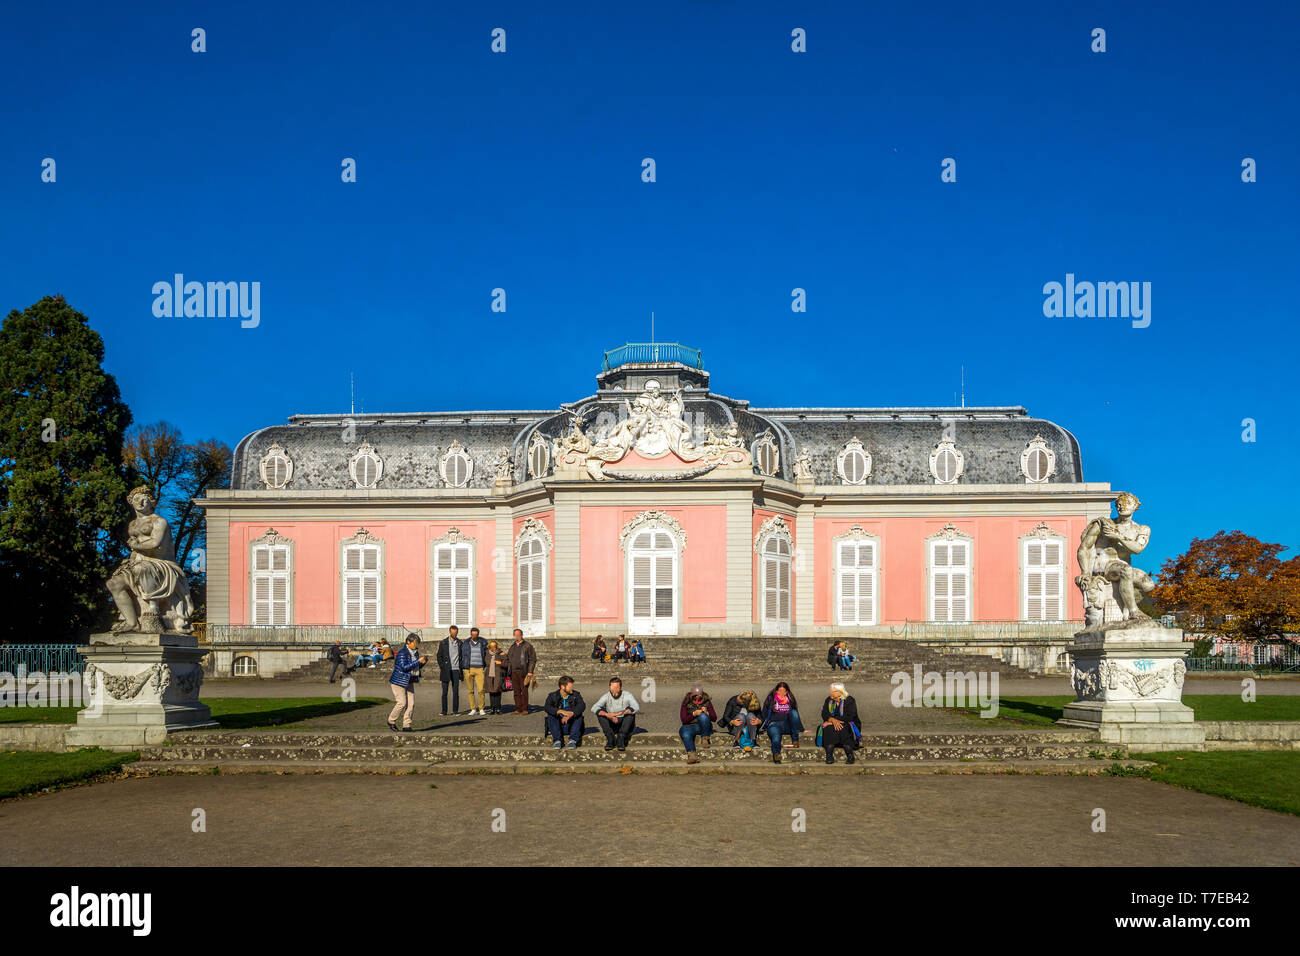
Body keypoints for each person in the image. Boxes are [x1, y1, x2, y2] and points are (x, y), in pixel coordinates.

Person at [388, 634, 427, 731]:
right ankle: (391, 721)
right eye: (415, 643)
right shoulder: (402, 653)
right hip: (399, 680)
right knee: (402, 703)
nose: (416, 645)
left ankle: (406, 725)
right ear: (408, 642)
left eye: (418, 643)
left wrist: (422, 663)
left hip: (410, 680)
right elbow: (404, 667)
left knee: (411, 704)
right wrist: (418, 662)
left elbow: (414, 667)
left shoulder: (415, 652)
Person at [760, 681, 804, 764]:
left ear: (787, 692)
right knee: (776, 737)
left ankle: (795, 739)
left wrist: (801, 728)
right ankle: (776, 754)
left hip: (787, 725)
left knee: (794, 712)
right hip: (774, 724)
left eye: (784, 691)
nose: (782, 693)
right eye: (780, 691)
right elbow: (764, 714)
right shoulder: (771, 698)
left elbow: (795, 717)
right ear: (776, 691)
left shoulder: (790, 699)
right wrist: (758, 724)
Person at [591, 677, 640, 752]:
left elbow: (636, 707)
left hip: (625, 723)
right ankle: (610, 739)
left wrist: (620, 713)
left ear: (620, 687)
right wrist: (608, 715)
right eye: (613, 687)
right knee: (600, 712)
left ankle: (621, 738)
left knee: (630, 712)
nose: (614, 689)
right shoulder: (606, 696)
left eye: (617, 687)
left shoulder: (627, 695)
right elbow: (594, 707)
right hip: (612, 722)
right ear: (609, 687)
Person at [819, 682, 860, 764]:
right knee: (828, 728)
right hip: (831, 723)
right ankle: (829, 754)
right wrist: (832, 720)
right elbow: (824, 713)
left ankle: (850, 754)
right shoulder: (829, 700)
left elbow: (850, 716)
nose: (830, 693)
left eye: (832, 691)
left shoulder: (849, 700)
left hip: (848, 723)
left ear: (839, 692)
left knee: (843, 727)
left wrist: (833, 721)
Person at [543, 676, 586, 749]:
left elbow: (582, 705)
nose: (572, 689)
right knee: (551, 714)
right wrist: (560, 711)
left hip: (571, 725)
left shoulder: (576, 695)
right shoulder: (553, 696)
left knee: (578, 714)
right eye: (570, 687)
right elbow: (547, 707)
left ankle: (573, 740)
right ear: (563, 687)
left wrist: (571, 714)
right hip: (558, 725)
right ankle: (557, 740)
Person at [679, 685, 717, 764]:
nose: (698, 698)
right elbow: (683, 719)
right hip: (690, 726)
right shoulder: (686, 702)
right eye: (695, 696)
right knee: (685, 733)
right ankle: (692, 755)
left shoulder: (707, 702)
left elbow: (714, 718)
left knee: (703, 716)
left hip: (704, 727)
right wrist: (694, 714)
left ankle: (705, 738)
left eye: (700, 696)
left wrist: (707, 713)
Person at [506, 628, 537, 714]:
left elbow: (532, 659)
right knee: (516, 691)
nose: (516, 636)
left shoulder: (527, 646)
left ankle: (525, 709)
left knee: (524, 691)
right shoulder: (512, 646)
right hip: (513, 672)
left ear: (522, 635)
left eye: (518, 635)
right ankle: (518, 708)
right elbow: (508, 658)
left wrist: (530, 671)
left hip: (524, 672)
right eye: (515, 635)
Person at [435, 625, 464, 716]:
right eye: (452, 632)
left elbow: (462, 656)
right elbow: (439, 656)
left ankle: (455, 711)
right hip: (446, 670)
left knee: (455, 691)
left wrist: (461, 667)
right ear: (450, 632)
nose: (454, 634)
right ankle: (444, 711)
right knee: (444, 692)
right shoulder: (443, 642)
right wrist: (442, 667)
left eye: (455, 632)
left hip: (456, 670)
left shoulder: (460, 643)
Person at [461, 626, 489, 715]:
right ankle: (473, 709)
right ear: (470, 634)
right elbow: (461, 655)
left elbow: (489, 653)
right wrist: (463, 667)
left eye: (476, 634)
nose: (474, 636)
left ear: (478, 634)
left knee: (481, 690)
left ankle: (481, 708)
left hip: (480, 668)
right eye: (473, 634)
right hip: (468, 669)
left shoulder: (483, 642)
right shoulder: (465, 643)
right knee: (470, 690)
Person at [484, 639, 510, 714]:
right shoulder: (486, 653)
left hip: (498, 675)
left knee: (498, 691)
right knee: (491, 692)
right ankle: (492, 708)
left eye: (494, 646)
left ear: (496, 646)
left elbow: (506, 664)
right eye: (491, 646)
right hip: (489, 675)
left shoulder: (501, 653)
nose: (492, 648)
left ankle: (498, 708)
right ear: (489, 646)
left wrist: (500, 663)